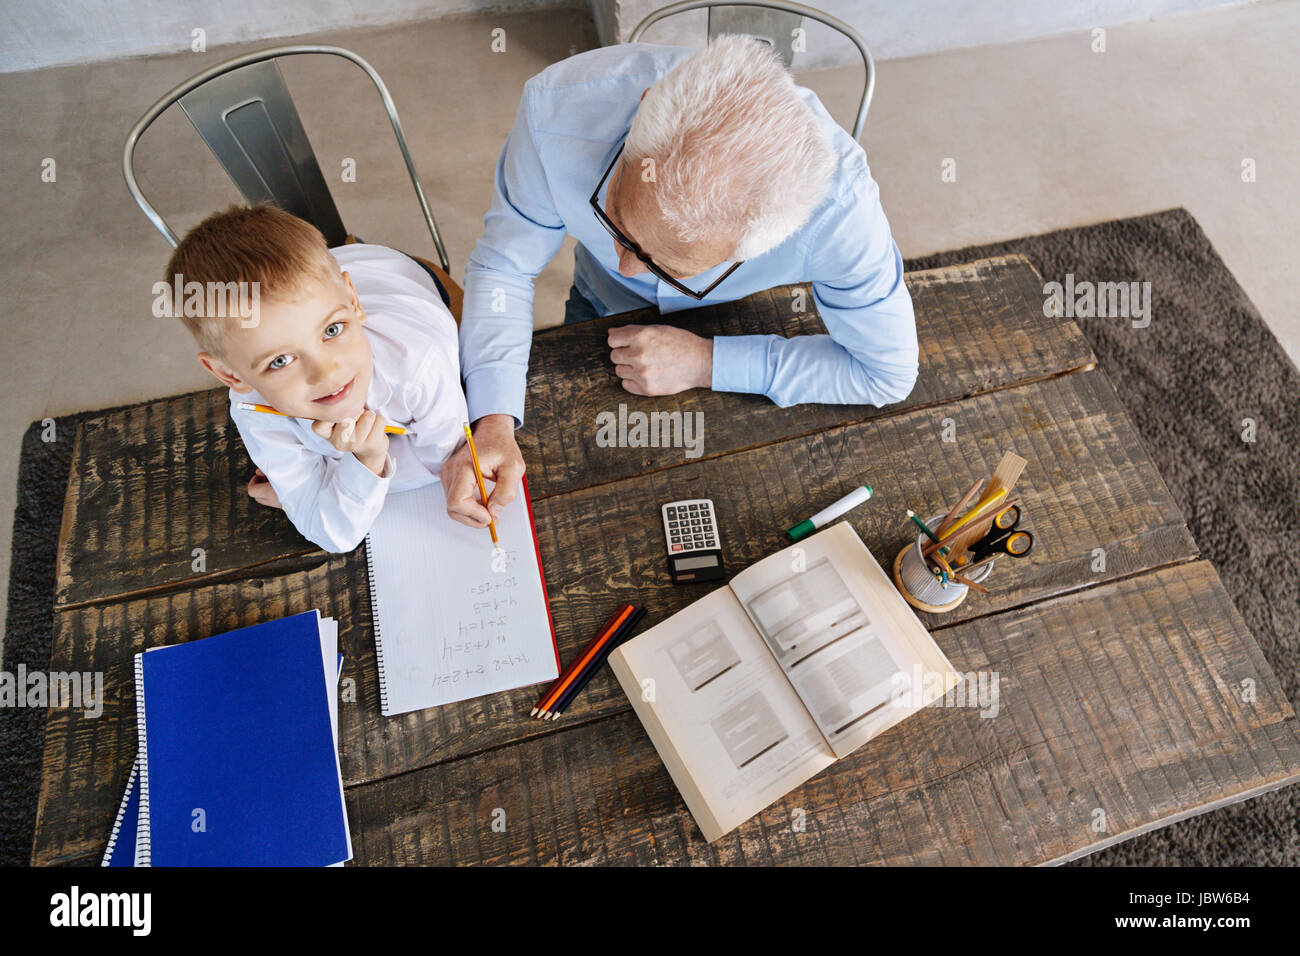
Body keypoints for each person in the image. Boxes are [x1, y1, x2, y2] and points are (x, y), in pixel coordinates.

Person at [444, 35, 917, 531]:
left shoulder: (840, 215)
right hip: (595, 305)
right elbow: (504, 269)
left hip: (733, 321)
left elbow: (886, 374)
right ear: (642, 111)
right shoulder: (556, 111)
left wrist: (708, 362)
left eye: (668, 264)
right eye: (618, 220)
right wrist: (492, 419)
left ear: (761, 244)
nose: (626, 267)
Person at [164, 204, 467, 552]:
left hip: (407, 278)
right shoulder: (253, 411)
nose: (326, 372)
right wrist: (367, 459)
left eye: (332, 330)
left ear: (353, 302)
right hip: (322, 287)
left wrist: (319, 491)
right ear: (228, 374)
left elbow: (446, 463)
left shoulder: (418, 361)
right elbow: (333, 535)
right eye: (280, 361)